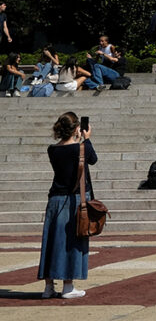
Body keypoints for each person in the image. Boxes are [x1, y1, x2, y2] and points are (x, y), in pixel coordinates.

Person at [39, 111, 93, 299]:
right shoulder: (80, 149)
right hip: (73, 199)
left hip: (54, 199)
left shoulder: (52, 149)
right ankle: (68, 286)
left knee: (51, 241)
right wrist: (86, 140)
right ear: (77, 129)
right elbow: (92, 159)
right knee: (71, 240)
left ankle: (48, 287)